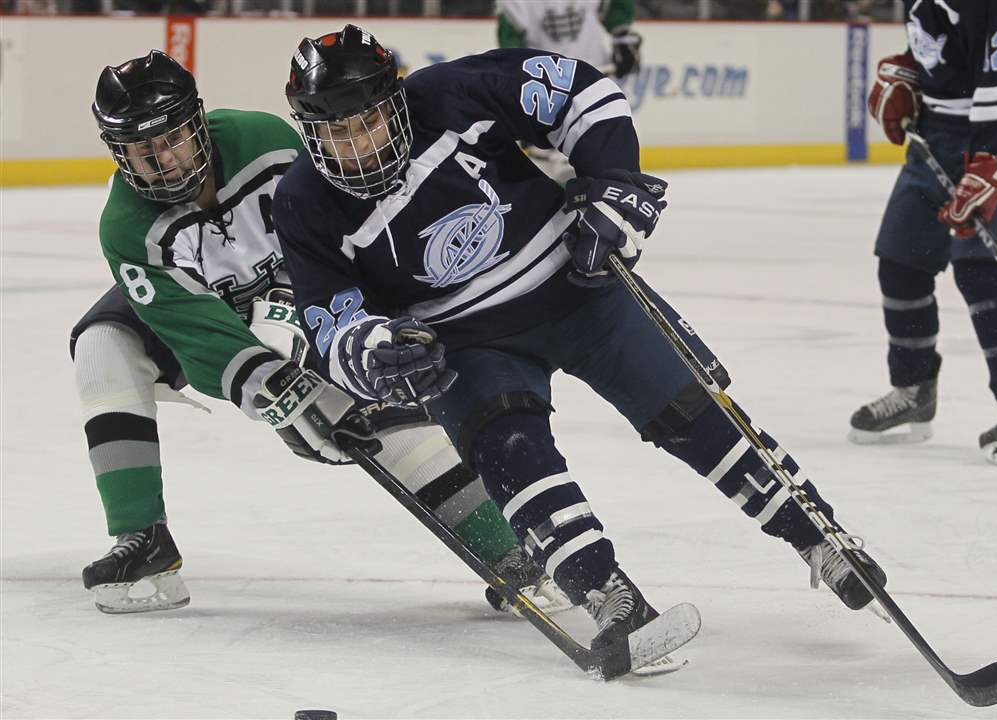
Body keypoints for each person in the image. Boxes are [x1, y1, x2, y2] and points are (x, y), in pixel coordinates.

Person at [272, 24, 888, 653]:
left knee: (693, 414)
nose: (355, 147)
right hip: (464, 342)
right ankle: (605, 593)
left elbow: (581, 96)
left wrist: (614, 183)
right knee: (510, 452)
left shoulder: (449, 93)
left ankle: (819, 537)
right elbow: (328, 318)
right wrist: (372, 349)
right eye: (334, 133)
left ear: (394, 101)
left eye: (366, 123)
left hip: (578, 285)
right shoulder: (302, 201)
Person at [75, 49, 565, 615]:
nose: (162, 161)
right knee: (104, 342)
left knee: (364, 404)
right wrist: (272, 387)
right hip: (207, 309)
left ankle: (508, 550)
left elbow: (338, 230)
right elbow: (191, 327)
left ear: (198, 121)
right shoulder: (126, 226)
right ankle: (143, 541)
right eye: (141, 151)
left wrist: (335, 350)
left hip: (308, 292)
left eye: (172, 139)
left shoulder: (264, 141)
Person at [853, 0, 997, 465]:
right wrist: (908, 69)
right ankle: (913, 389)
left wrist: (990, 167)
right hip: (938, 133)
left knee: (981, 269)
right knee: (901, 263)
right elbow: (942, 48)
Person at [495, 0, 641, 183]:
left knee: (602, 161)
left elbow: (616, 9)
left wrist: (621, 34)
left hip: (593, 79)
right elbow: (510, 44)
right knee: (547, 168)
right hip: (546, 87)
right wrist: (521, 82)